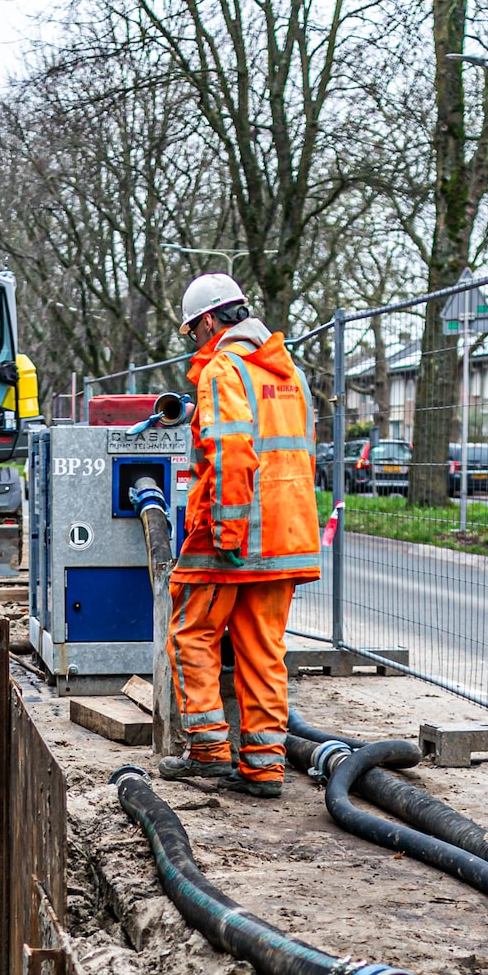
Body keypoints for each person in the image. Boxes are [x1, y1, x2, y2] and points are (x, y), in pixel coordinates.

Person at [158, 272, 322, 799]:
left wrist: (227, 532)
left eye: (193, 332)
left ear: (209, 320)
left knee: (190, 630)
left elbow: (231, 452)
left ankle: (207, 749)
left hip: (236, 531)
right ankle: (263, 764)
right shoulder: (288, 371)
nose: (195, 342)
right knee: (262, 648)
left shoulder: (223, 369)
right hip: (288, 533)